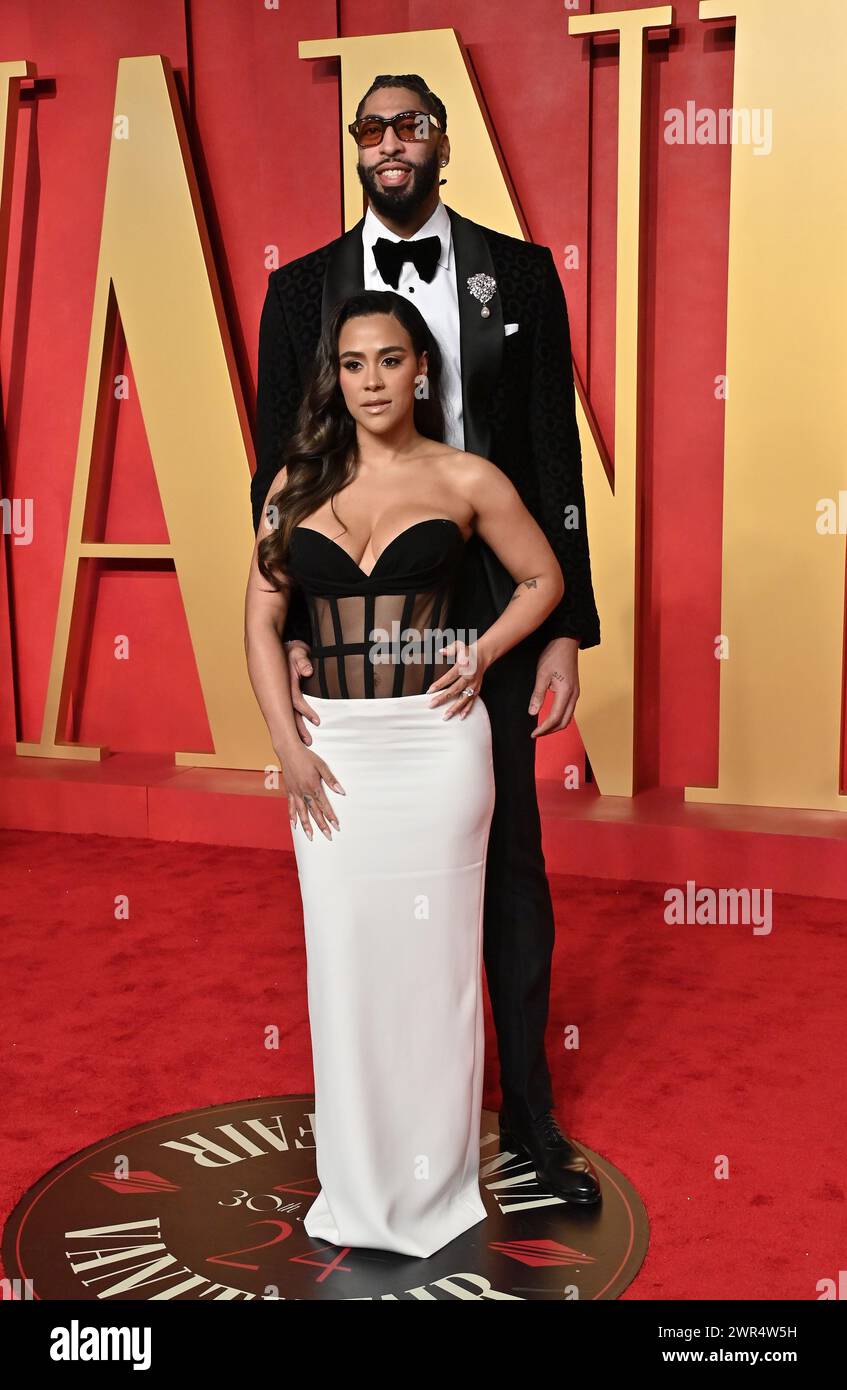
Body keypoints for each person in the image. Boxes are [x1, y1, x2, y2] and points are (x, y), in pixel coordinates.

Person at [252, 72, 602, 1203]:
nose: (390, 144)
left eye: (410, 125)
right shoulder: (303, 290)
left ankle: (530, 1125)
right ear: (355, 148)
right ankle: (377, 1119)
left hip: (485, 619)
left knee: (509, 869)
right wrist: (297, 615)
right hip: (356, 631)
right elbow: (275, 468)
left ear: (442, 143)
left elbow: (552, 463)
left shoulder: (522, 272)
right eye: (372, 128)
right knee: (361, 880)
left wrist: (565, 632)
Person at [245, 289, 565, 1257]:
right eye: (353, 364)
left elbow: (543, 578)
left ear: (420, 369)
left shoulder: (465, 474)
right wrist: (287, 746)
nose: (372, 380)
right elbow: (260, 620)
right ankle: (355, 1184)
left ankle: (436, 1187)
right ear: (332, 377)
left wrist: (486, 650)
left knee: (432, 974)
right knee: (343, 965)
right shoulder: (293, 482)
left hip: (436, 749)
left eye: (389, 360)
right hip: (332, 753)